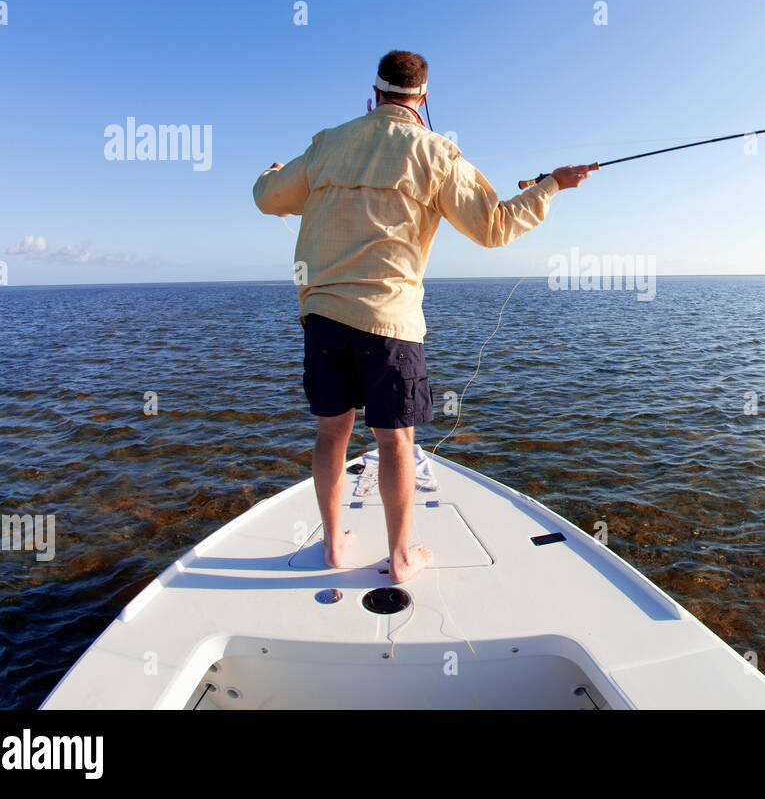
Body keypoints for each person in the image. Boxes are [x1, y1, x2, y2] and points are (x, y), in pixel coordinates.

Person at [253, 50, 590, 583]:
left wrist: (270, 174)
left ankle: (334, 546)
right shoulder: (436, 152)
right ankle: (400, 558)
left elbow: (270, 198)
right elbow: (495, 228)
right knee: (396, 442)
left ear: (375, 92)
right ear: (423, 97)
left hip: (323, 317)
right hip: (391, 323)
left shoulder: (327, 143)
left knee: (331, 435)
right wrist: (553, 186)